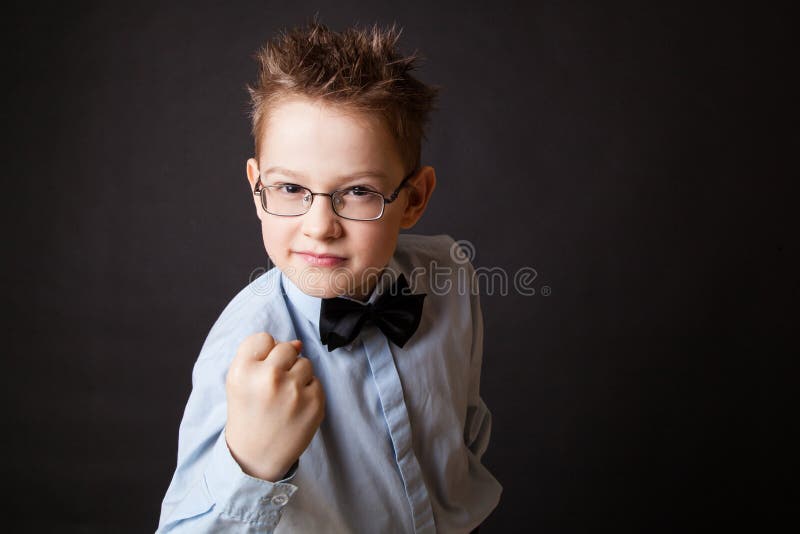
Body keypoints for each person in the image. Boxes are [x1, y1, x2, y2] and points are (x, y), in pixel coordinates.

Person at [157, 16, 502, 533]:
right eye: (291, 189)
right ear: (257, 189)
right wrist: (253, 463)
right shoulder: (242, 343)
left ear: (414, 198)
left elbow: (464, 434)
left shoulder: (450, 275)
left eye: (358, 191)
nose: (320, 227)